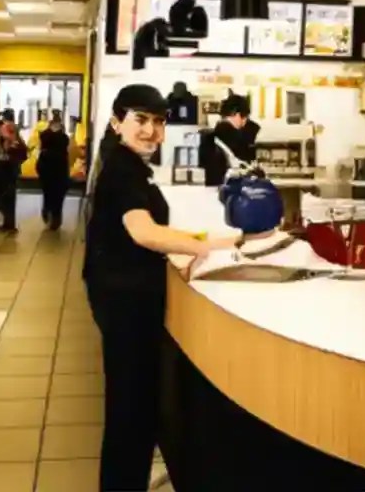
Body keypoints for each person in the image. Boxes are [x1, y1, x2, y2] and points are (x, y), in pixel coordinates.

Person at [84, 84, 238, 491]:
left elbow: (156, 229)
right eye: (141, 120)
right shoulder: (122, 169)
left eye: (158, 121)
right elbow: (143, 232)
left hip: (122, 296)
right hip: (125, 303)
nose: (151, 130)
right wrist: (200, 249)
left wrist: (225, 243)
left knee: (132, 407)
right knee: (131, 411)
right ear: (118, 122)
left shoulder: (126, 165)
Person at [205, 91, 260, 183]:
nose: (244, 123)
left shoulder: (212, 136)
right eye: (245, 118)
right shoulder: (234, 137)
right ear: (238, 115)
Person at [0, 111, 27, 232]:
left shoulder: (4, 128)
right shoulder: (15, 128)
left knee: (5, 194)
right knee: (11, 194)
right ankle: (10, 222)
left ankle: (7, 223)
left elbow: (1, 145)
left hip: (5, 164)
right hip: (14, 164)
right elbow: (22, 146)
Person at [38, 110, 71, 231]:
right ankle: (55, 217)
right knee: (56, 196)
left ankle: (49, 213)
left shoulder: (47, 136)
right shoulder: (62, 138)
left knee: (49, 194)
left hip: (49, 169)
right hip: (58, 170)